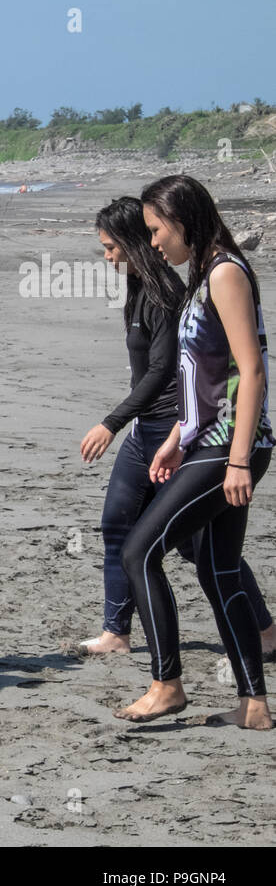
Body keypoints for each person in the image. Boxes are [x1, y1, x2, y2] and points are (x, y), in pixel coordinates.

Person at [77, 197, 275, 657]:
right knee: (119, 528)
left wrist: (113, 422)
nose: (107, 257)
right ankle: (116, 633)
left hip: (183, 432)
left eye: (112, 247)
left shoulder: (172, 290)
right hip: (156, 432)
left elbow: (167, 371)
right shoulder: (146, 287)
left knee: (193, 547)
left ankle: (258, 634)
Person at [117, 175, 275, 728]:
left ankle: (166, 684)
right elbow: (202, 379)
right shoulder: (204, 274)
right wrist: (173, 438)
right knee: (219, 570)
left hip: (228, 447)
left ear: (183, 220)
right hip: (208, 443)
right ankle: (253, 704)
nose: (154, 242)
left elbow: (250, 370)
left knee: (139, 551)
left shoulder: (226, 272)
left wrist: (236, 458)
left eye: (157, 230)